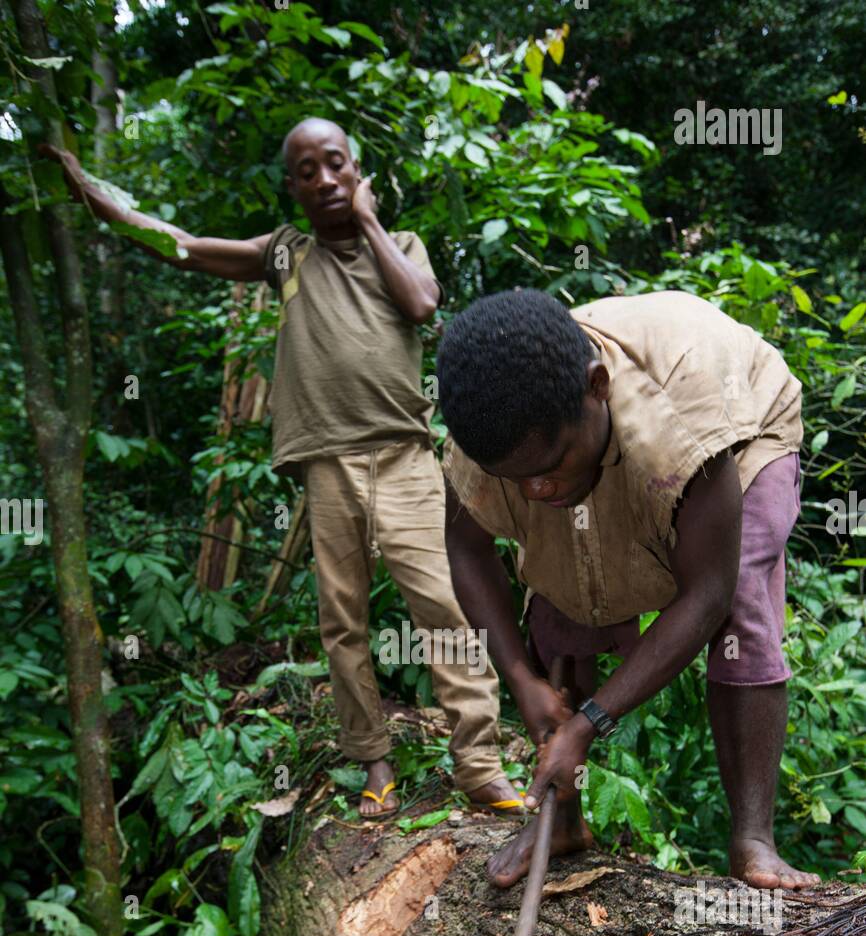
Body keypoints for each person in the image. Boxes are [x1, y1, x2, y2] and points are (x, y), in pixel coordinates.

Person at [44, 120, 521, 819]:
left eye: (336, 166)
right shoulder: (283, 255)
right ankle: (373, 762)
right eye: (307, 171)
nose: (324, 180)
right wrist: (99, 197)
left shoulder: (404, 247)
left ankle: (479, 763)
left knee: (441, 608)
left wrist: (368, 223)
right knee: (343, 620)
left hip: (403, 456)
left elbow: (421, 304)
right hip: (327, 465)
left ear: (357, 172)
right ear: (292, 186)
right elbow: (183, 248)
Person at [437, 287, 821, 891]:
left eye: (548, 466)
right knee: (561, 597)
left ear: (596, 387)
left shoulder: (684, 413)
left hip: (743, 435)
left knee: (742, 600)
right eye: (517, 480)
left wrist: (589, 722)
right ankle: (560, 819)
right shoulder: (489, 428)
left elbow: (708, 593)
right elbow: (466, 547)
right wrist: (521, 679)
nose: (535, 492)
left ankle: (753, 838)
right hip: (608, 448)